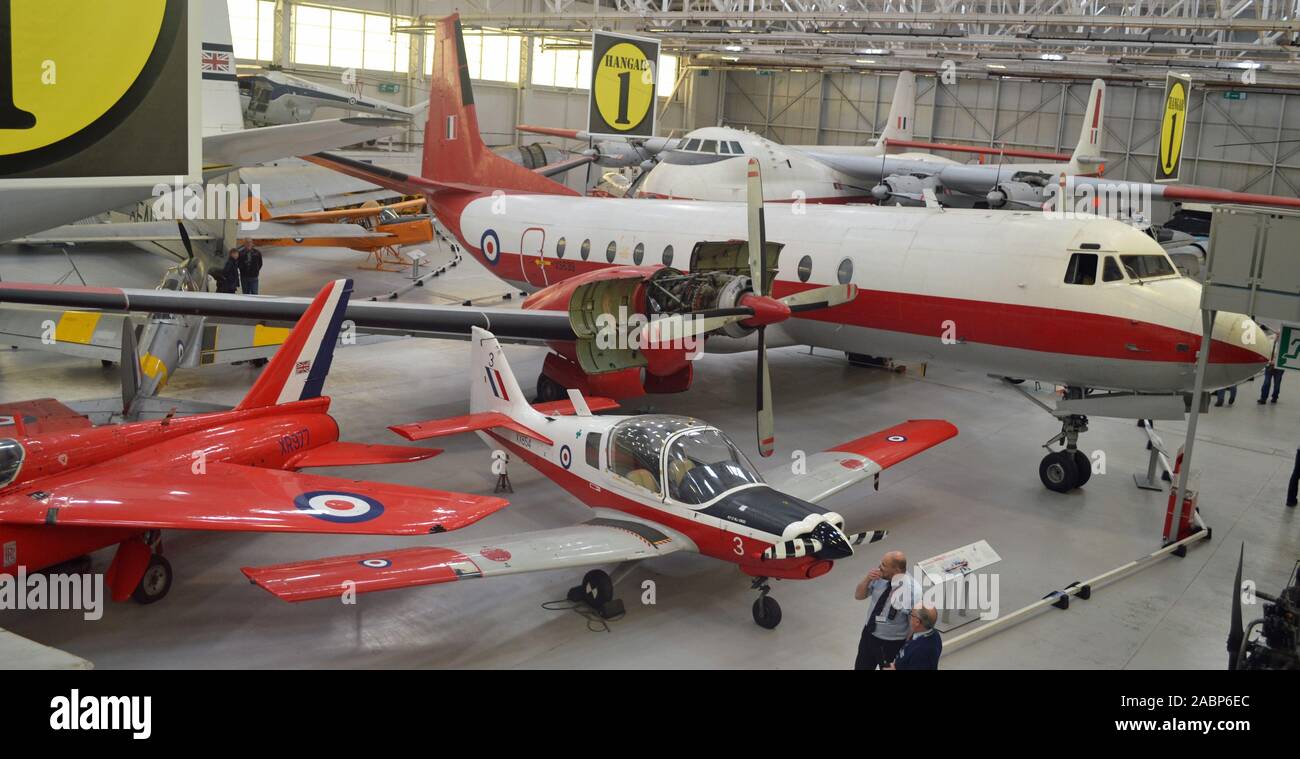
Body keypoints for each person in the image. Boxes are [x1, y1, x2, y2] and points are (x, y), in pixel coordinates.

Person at [853, 550, 920, 670]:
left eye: (884, 565)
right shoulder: (878, 577)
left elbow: (914, 624)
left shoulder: (911, 591)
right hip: (869, 635)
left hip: (892, 643)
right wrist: (867, 579)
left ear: (897, 570)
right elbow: (859, 596)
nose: (879, 567)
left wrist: (905, 648)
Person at [886, 604, 943, 670]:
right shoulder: (934, 634)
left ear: (917, 622)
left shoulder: (921, 653)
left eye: (911, 614)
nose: (909, 616)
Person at [1259, 326, 1282, 404]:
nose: (1278, 335)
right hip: (1269, 365)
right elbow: (1266, 351)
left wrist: (1275, 362)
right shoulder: (1271, 340)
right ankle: (1263, 398)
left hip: (1278, 367)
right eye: (1277, 334)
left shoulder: (1283, 344)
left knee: (1277, 384)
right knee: (1266, 382)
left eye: (1279, 334)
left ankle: (1275, 397)